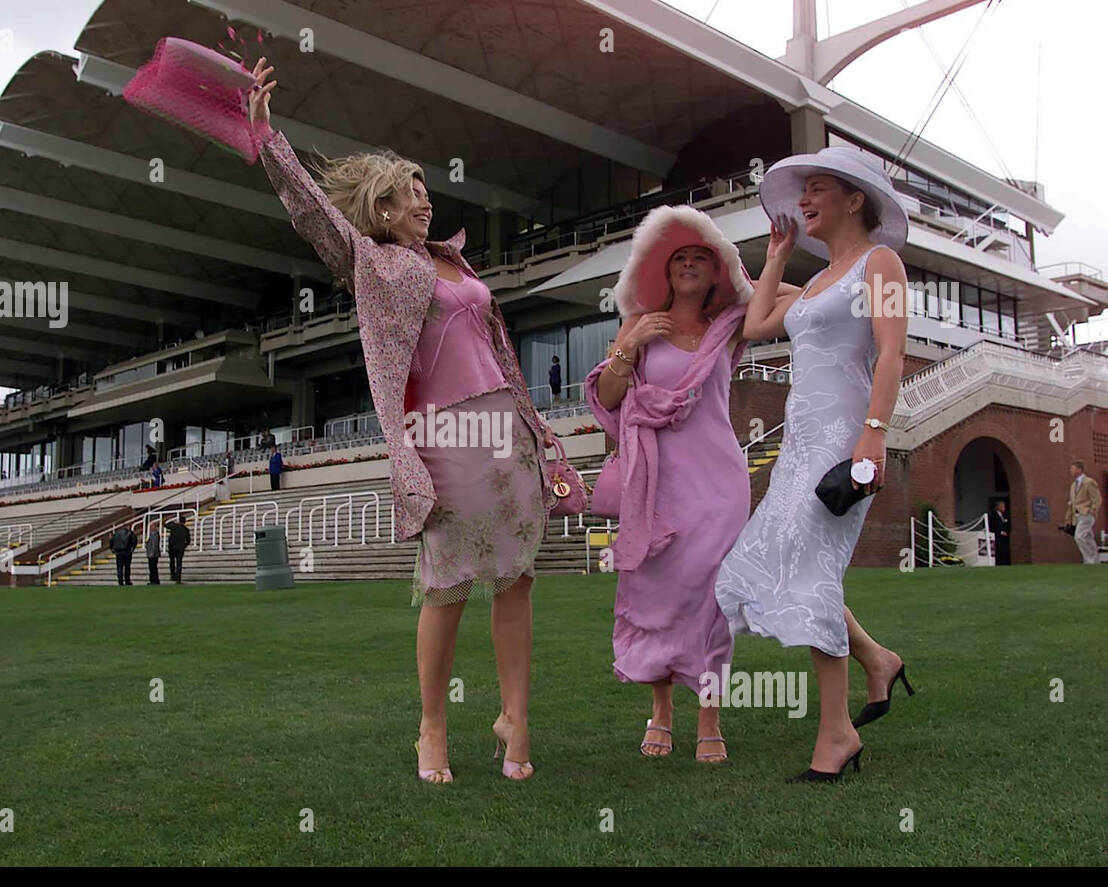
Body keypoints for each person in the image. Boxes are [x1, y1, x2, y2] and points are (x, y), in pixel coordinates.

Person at [252, 56, 557, 783]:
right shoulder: (373, 263)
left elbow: (502, 354)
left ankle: (517, 721)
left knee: (516, 580)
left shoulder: (460, 265)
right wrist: (268, 138)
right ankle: (432, 729)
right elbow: (311, 212)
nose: (424, 201)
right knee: (448, 583)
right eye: (409, 194)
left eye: (425, 189)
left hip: (505, 431)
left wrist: (540, 432)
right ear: (382, 209)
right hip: (444, 438)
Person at [715, 146, 915, 781]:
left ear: (854, 199)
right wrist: (775, 255)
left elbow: (889, 355)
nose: (804, 201)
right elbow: (756, 321)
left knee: (809, 571)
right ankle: (878, 661)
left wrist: (873, 439)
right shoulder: (819, 281)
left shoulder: (879, 263)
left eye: (817, 189)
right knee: (767, 563)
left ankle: (837, 735)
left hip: (845, 438)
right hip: (799, 440)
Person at [586, 205, 773, 762]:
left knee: (714, 601)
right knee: (658, 595)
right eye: (679, 258)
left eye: (701, 258)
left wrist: (749, 263)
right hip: (658, 486)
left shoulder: (731, 324)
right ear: (662, 272)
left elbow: (784, 295)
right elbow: (610, 397)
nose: (689, 265)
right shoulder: (641, 322)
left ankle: (710, 719)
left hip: (720, 484)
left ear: (717, 272)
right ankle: (661, 712)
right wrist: (631, 342)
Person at [1065, 460, 1102, 564]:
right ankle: (1095, 560)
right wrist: (1068, 518)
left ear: (1079, 469)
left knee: (1079, 537)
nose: (1071, 471)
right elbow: (1072, 503)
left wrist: (1092, 511)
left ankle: (1089, 560)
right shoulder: (1073, 486)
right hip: (1077, 516)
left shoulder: (1089, 482)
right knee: (1088, 538)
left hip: (1086, 514)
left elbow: (1097, 498)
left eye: (1073, 468)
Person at [166, 518, 190, 584]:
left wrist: (172, 522)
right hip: (180, 548)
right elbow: (188, 541)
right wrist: (183, 546)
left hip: (172, 547)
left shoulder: (174, 526)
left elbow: (166, 525)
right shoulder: (186, 529)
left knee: (172, 561)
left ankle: (173, 575)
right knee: (179, 563)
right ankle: (178, 579)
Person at [989, 499, 1011, 566]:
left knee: (1005, 551)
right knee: (999, 551)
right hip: (998, 537)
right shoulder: (993, 516)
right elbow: (992, 527)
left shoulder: (1005, 515)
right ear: (998, 507)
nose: (1004, 508)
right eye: (1002, 506)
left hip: (1005, 538)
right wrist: (1000, 532)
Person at [145, 521, 162, 585]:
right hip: (152, 553)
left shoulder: (154, 534)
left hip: (153, 554)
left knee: (153, 567)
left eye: (151, 526)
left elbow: (154, 545)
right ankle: (153, 580)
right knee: (152, 568)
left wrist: (152, 553)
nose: (150, 528)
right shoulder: (152, 534)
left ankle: (154, 580)